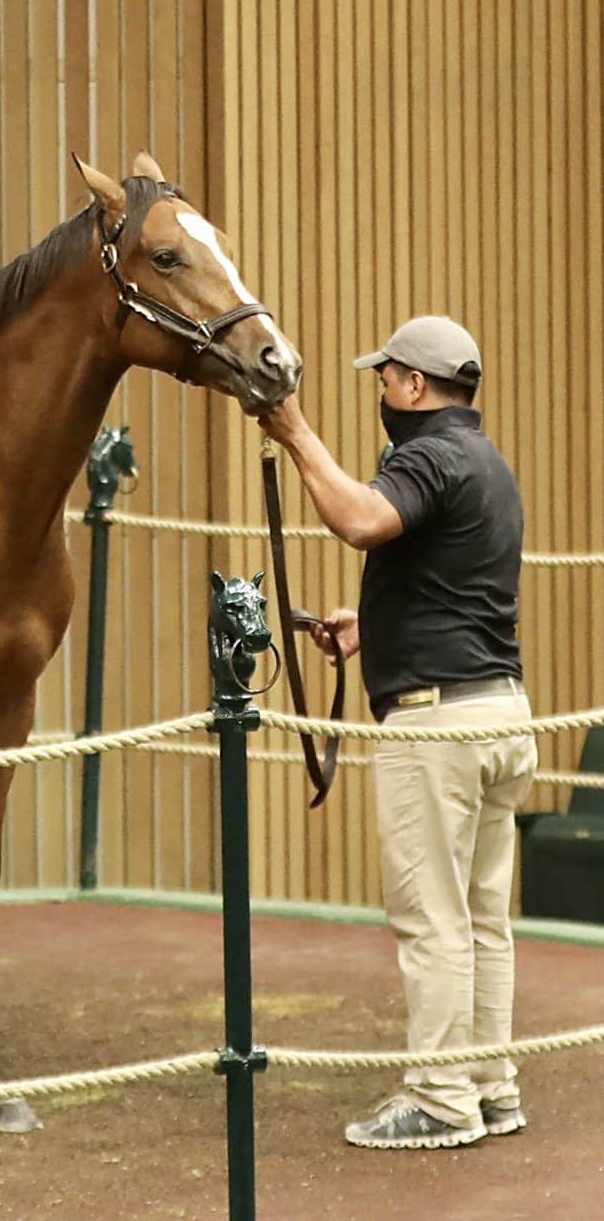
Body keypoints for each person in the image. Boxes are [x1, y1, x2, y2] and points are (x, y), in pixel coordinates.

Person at [261, 315, 536, 1151]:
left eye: (385, 378)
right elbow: (449, 589)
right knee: (484, 917)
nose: (381, 391)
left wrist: (293, 429)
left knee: (433, 919)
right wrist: (368, 628)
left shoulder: (424, 456)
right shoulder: (488, 464)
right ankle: (491, 1088)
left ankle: (440, 1097)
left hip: (436, 727)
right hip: (497, 711)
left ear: (414, 386)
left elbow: (362, 520)